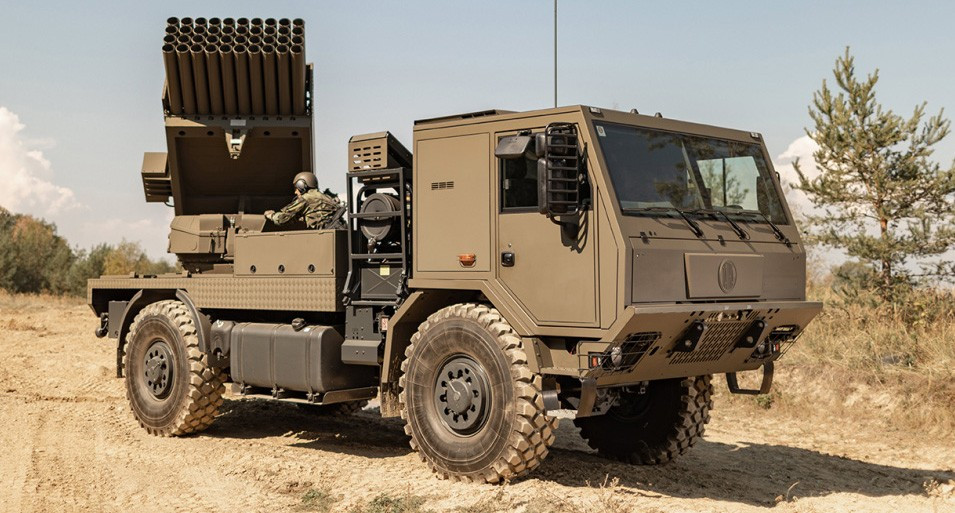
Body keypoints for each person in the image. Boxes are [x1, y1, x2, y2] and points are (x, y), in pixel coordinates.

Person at [264, 172, 343, 229]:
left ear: (301, 186)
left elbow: (282, 218)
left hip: (324, 234)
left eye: (296, 188)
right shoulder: (327, 197)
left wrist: (271, 215)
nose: (295, 192)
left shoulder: (305, 199)